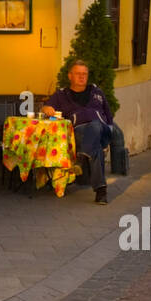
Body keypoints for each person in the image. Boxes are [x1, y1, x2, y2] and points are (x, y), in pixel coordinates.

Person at [41, 60, 114, 204]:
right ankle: (101, 191)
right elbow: (46, 107)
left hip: (101, 129)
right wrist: (47, 109)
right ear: (70, 76)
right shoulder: (62, 94)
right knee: (96, 148)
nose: (82, 77)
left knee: (95, 125)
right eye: (78, 74)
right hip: (79, 132)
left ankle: (81, 159)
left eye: (85, 74)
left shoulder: (97, 91)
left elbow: (108, 114)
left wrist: (110, 130)